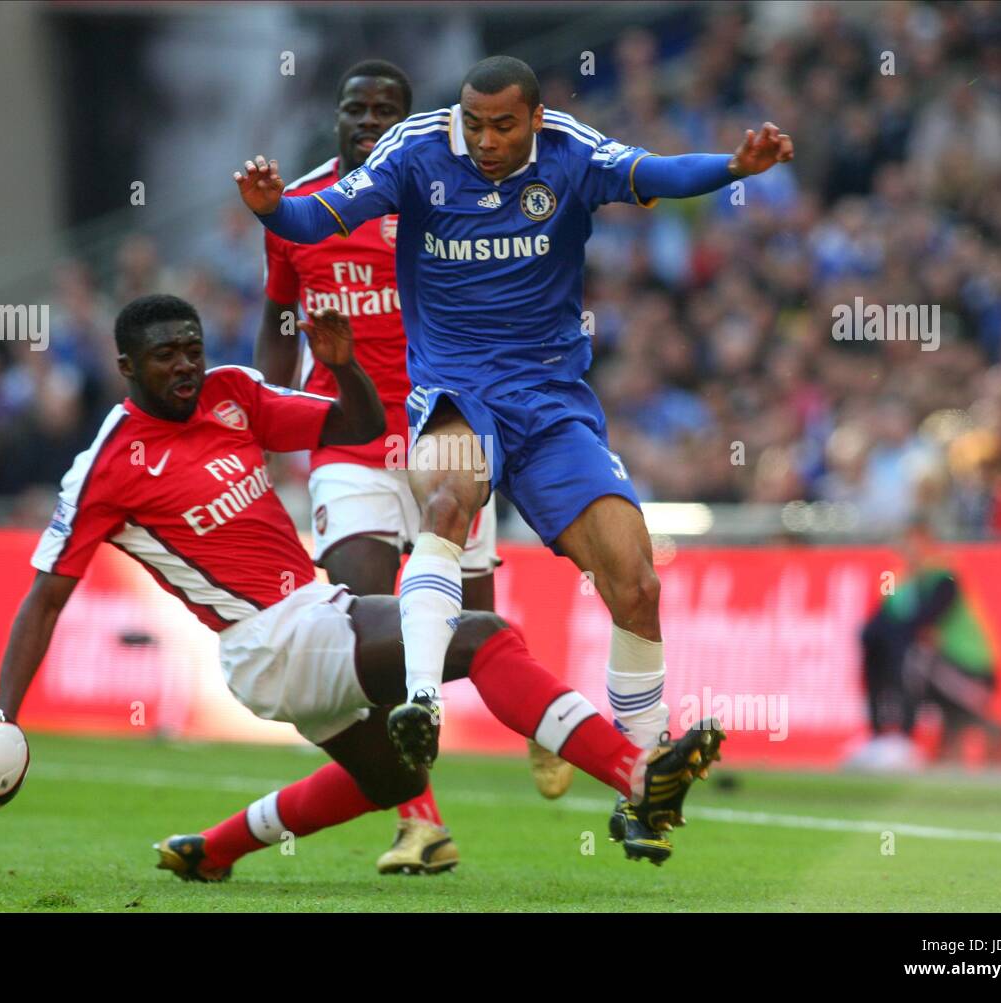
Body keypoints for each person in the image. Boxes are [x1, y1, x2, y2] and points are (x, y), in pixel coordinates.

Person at [234, 55, 787, 856]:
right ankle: (420, 701)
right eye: (473, 123)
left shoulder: (571, 153)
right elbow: (321, 219)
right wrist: (273, 210)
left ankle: (643, 781)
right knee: (450, 499)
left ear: (532, 118)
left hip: (553, 405)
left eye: (501, 126)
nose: (483, 141)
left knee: (634, 579)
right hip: (455, 391)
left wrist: (733, 167)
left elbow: (654, 173)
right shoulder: (417, 150)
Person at [0, 294, 725, 877]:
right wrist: (4, 719)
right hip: (267, 637)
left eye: (193, 349)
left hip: (305, 624)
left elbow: (358, 422)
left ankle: (211, 849)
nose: (185, 367)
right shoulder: (108, 462)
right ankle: (637, 774)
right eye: (165, 358)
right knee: (487, 637)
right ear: (126, 365)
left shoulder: (232, 394)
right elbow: (44, 597)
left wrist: (343, 366)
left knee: (389, 777)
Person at [255, 58, 570, 876]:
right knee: (367, 625)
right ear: (335, 115)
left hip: (449, 431)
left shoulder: (447, 192)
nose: (367, 119)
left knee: (474, 630)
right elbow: (277, 318)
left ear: (409, 121)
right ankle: (419, 821)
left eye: (385, 109)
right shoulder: (302, 210)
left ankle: (542, 717)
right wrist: (261, 410)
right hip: (348, 438)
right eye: (354, 107)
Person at [854, 522, 1001, 770]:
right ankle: (882, 737)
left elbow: (922, 621)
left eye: (916, 546)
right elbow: (875, 631)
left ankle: (904, 739)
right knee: (880, 651)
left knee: (915, 658)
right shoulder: (903, 587)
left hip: (970, 670)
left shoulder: (944, 579)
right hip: (940, 670)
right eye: (905, 546)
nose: (910, 553)